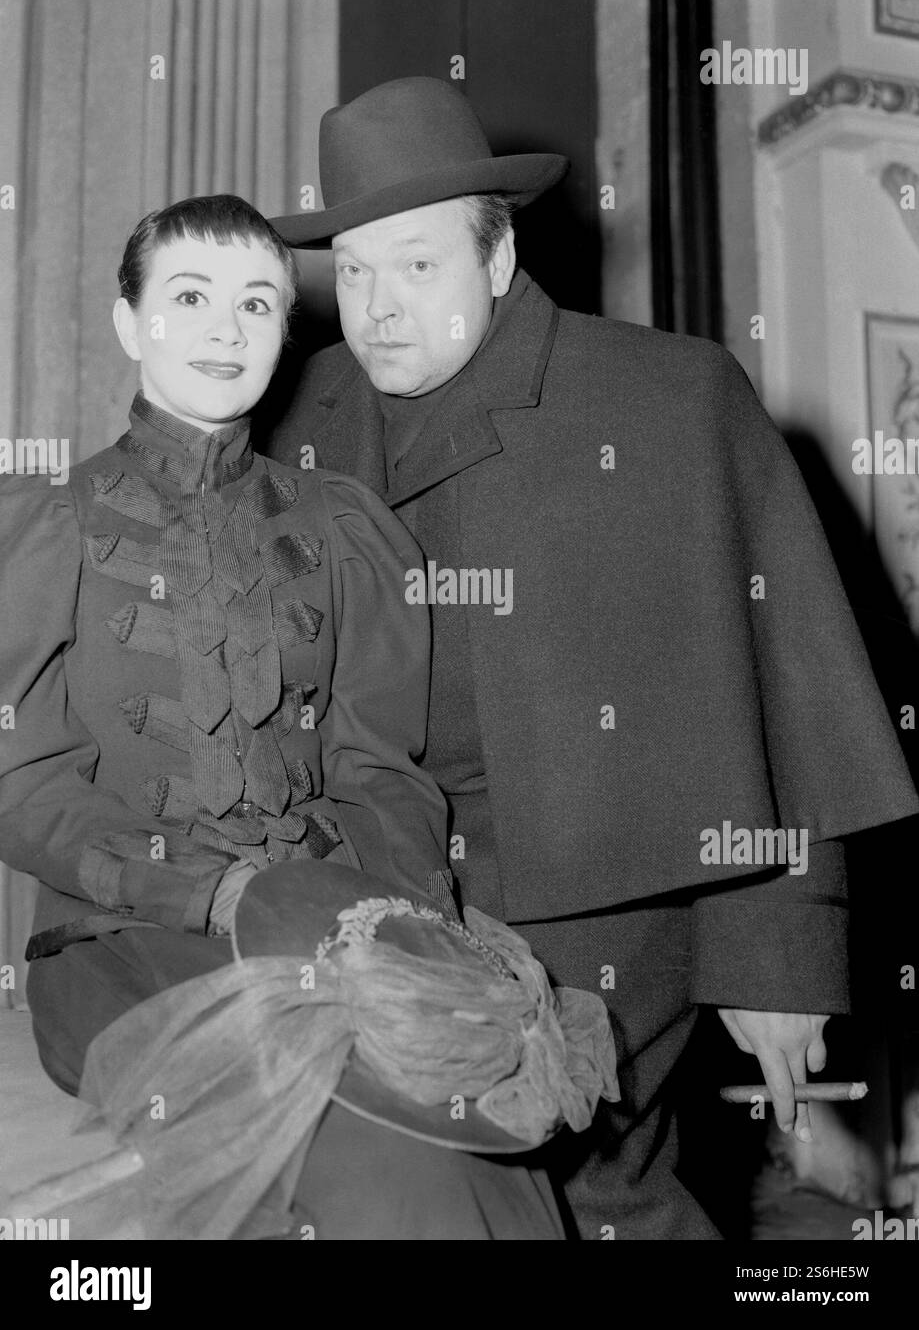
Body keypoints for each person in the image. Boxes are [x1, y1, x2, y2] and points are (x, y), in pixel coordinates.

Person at [266, 76, 919, 1239]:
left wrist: (774, 958)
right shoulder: (304, 414)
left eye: (417, 264)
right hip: (382, 898)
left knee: (594, 1200)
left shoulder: (667, 400)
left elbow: (791, 691)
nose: (377, 308)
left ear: (498, 256)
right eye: (353, 269)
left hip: (607, 921)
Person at [0, 192, 564, 1240]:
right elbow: (21, 789)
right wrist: (213, 891)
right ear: (131, 324)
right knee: (396, 1164)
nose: (226, 328)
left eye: (257, 303)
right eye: (191, 296)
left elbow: (382, 774)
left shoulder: (346, 528)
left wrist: (396, 933)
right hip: (123, 949)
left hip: (329, 926)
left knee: (482, 1135)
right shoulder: (47, 525)